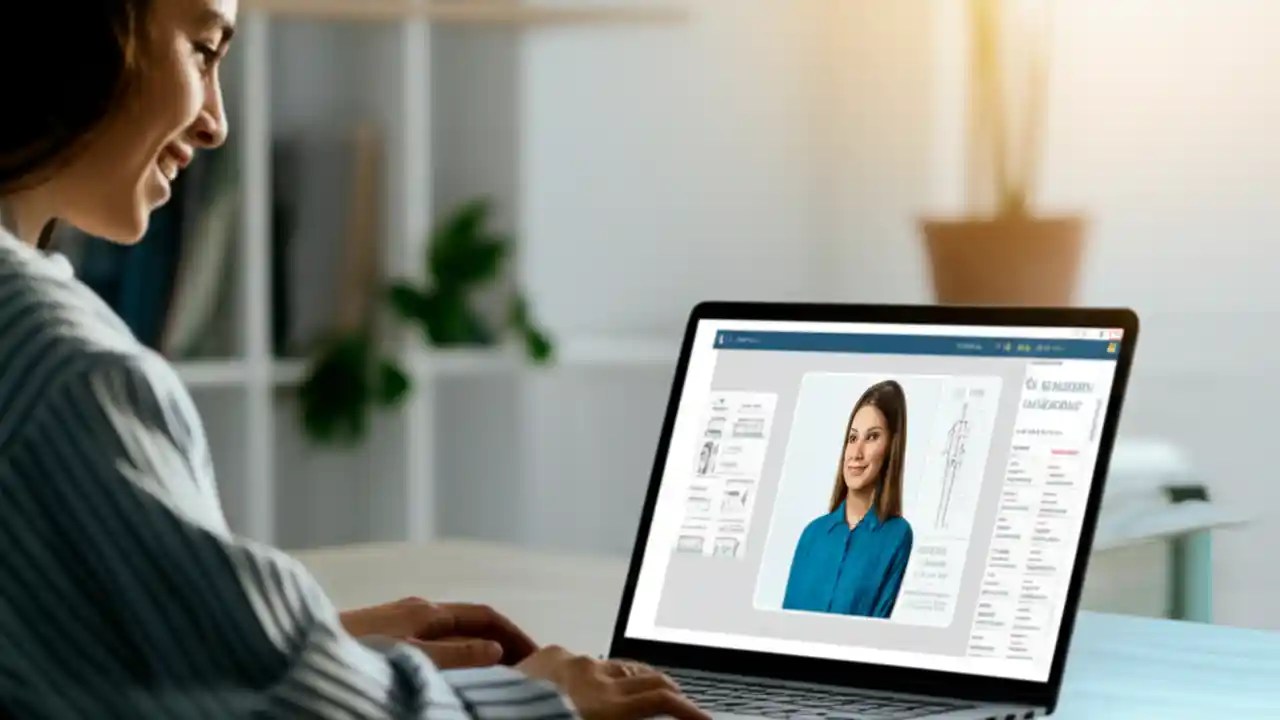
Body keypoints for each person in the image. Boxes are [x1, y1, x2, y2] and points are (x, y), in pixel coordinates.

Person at [0, 1, 709, 718]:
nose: (216, 120)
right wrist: (529, 701)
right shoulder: (67, 375)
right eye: (203, 50)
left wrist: (292, 647)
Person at [781, 381, 913, 618]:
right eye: (852, 439)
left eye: (872, 437)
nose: (856, 453)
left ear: (892, 446)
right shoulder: (812, 534)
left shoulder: (897, 535)